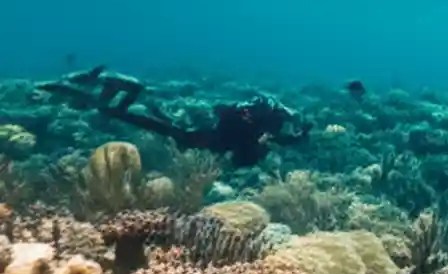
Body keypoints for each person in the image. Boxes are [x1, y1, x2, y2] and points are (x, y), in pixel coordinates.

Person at [36, 66, 312, 168]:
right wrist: (298, 137)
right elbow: (253, 150)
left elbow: (279, 140)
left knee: (165, 124)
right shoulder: (270, 124)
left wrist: (300, 136)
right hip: (206, 135)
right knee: (165, 127)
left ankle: (129, 96)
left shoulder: (269, 121)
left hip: (209, 130)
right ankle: (127, 95)